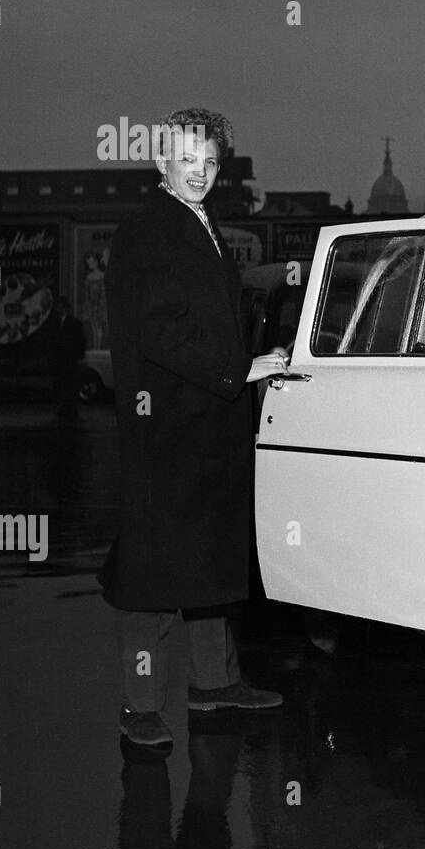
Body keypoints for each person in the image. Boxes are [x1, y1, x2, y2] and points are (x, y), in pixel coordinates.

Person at [100, 108, 288, 747]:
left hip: (208, 422)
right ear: (161, 163)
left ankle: (215, 684)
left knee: (211, 562)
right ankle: (139, 707)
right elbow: (162, 331)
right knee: (154, 575)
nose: (200, 172)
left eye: (209, 162)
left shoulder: (199, 223)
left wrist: (254, 358)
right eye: (187, 161)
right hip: (167, 430)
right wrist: (238, 370)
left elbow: (212, 320)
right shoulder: (145, 232)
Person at [49, 296, 86, 421]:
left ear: (65, 307)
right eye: (57, 306)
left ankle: (70, 409)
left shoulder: (75, 323)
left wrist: (80, 356)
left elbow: (81, 341)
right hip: (59, 360)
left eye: (60, 306)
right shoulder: (54, 323)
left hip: (70, 359)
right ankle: (61, 409)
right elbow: (52, 342)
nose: (57, 308)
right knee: (60, 384)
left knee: (70, 385)